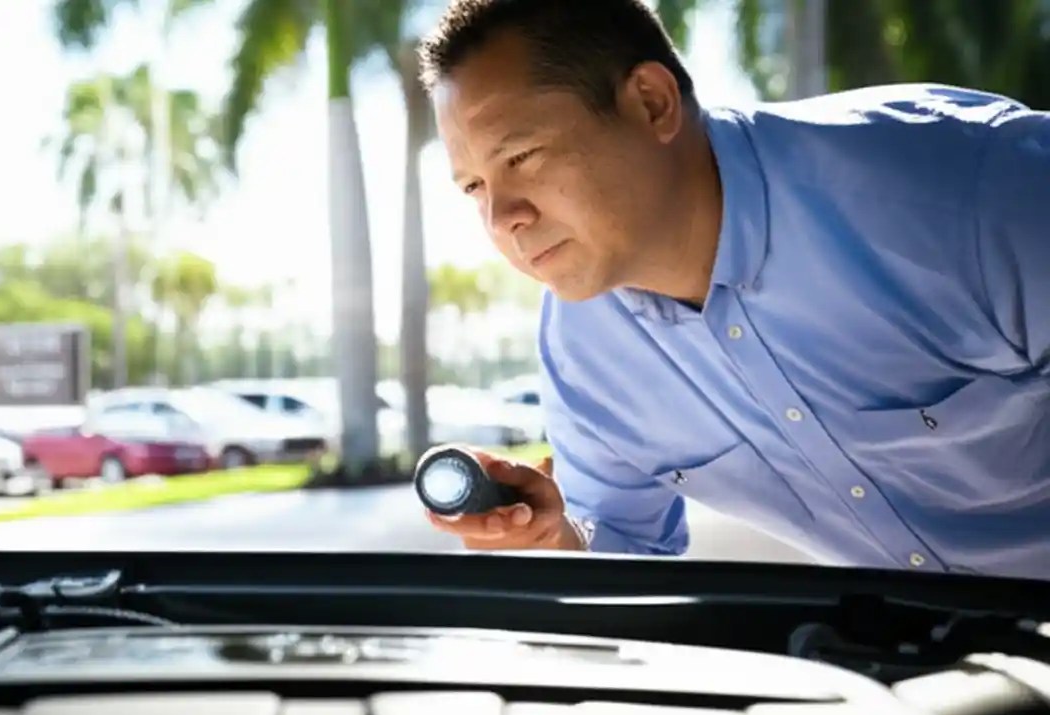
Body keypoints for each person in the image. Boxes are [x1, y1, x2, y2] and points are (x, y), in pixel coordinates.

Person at [415, 0, 1050, 580]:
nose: (501, 219)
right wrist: (553, 540)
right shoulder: (584, 351)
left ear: (652, 104)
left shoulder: (967, 187)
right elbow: (621, 557)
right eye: (474, 187)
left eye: (522, 156)